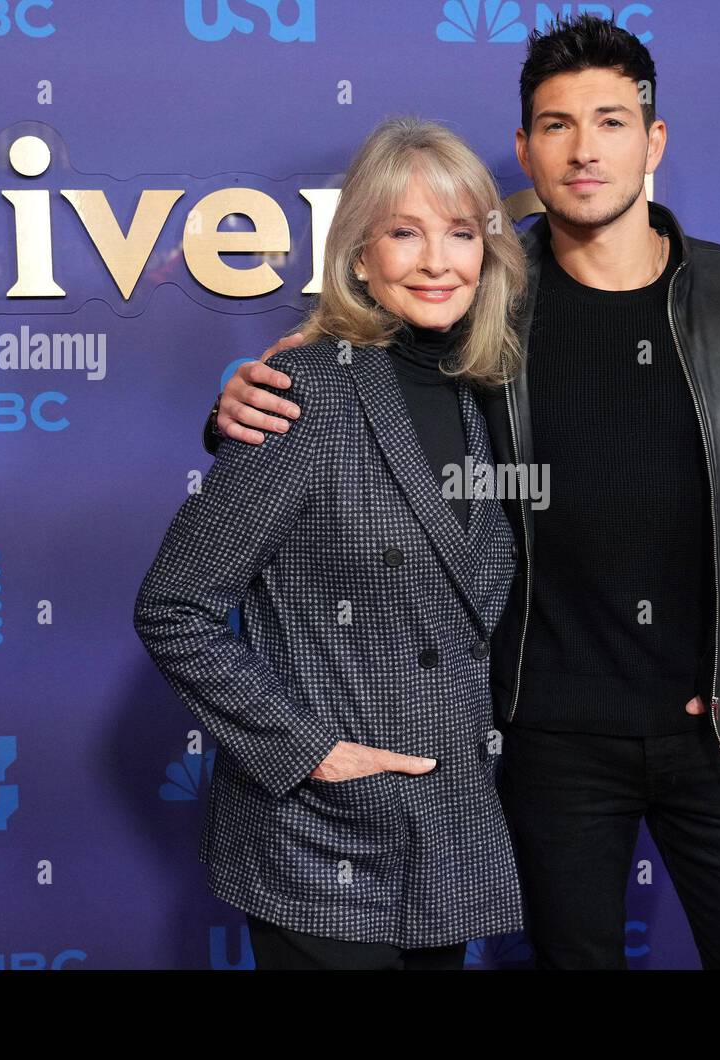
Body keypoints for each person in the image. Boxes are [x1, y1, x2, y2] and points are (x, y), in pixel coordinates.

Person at [202, 15, 720, 970]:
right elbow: (347, 383)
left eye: (610, 120)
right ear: (524, 149)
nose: (584, 149)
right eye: (556, 125)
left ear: (655, 139)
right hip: (548, 739)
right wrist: (234, 406)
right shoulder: (481, 295)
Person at [134, 116, 528, 970]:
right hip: (320, 841)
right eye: (405, 233)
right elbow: (175, 609)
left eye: (461, 233)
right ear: (358, 256)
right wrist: (308, 752)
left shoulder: (487, 398)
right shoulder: (304, 393)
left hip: (449, 837)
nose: (437, 260)